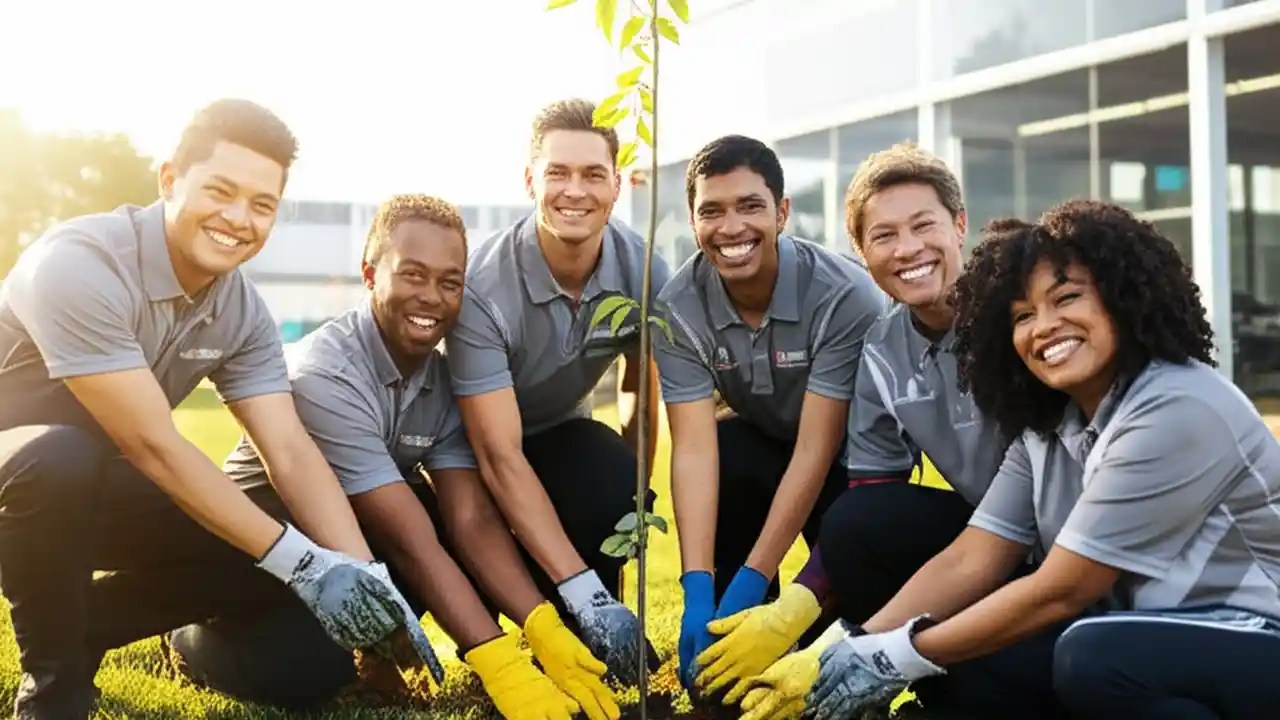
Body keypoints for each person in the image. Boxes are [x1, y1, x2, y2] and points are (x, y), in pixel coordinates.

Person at [0, 100, 437, 720]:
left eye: (262, 205)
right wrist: (303, 563)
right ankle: (55, 691)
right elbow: (154, 444)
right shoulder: (77, 263)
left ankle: (81, 626)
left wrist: (363, 576)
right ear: (170, 179)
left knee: (273, 524)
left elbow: (287, 451)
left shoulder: (241, 310)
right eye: (221, 191)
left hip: (98, 483)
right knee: (62, 458)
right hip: (20, 483)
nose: (239, 218)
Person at [765, 199, 1280, 720]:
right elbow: (972, 557)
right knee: (1018, 654)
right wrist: (857, 647)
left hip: (1254, 636)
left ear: (1122, 299)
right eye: (1024, 316)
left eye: (1067, 298)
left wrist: (899, 658)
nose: (1045, 327)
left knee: (1090, 657)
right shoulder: (1050, 426)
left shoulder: (1174, 405)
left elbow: (1060, 591)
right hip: (1139, 634)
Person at [165, 195, 621, 719]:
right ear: (369, 274)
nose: (431, 297)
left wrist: (542, 627)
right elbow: (407, 541)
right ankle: (188, 639)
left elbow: (471, 519)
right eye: (413, 275)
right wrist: (502, 665)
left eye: (450, 283)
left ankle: (377, 651)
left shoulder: (446, 376)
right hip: (262, 553)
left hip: (358, 542)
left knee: (447, 521)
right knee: (306, 674)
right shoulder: (326, 376)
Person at [695, 142, 1013, 710]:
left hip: (1066, 536)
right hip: (986, 532)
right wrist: (794, 608)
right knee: (859, 522)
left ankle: (892, 662)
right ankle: (936, 686)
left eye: (923, 226)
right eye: (884, 236)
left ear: (960, 224)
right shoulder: (884, 349)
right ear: (862, 252)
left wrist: (842, 643)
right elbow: (869, 506)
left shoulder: (1019, 316)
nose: (908, 249)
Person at [445, 98, 671, 685]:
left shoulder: (643, 268)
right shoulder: (484, 286)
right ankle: (540, 610)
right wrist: (585, 593)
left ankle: (581, 610)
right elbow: (497, 455)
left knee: (608, 475)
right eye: (557, 173)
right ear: (529, 181)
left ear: (617, 185)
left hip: (554, 434)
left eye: (594, 174)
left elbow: (641, 396)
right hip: (464, 453)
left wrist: (631, 503)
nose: (576, 191)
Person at [651, 135, 886, 696]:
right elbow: (694, 449)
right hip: (758, 442)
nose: (731, 228)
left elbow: (816, 448)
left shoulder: (843, 295)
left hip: (845, 458)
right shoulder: (677, 306)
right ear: (692, 218)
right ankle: (726, 637)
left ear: (781, 212)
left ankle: (819, 637)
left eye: (750, 206)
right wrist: (700, 589)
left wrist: (754, 584)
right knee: (730, 456)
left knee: (856, 535)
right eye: (712, 211)